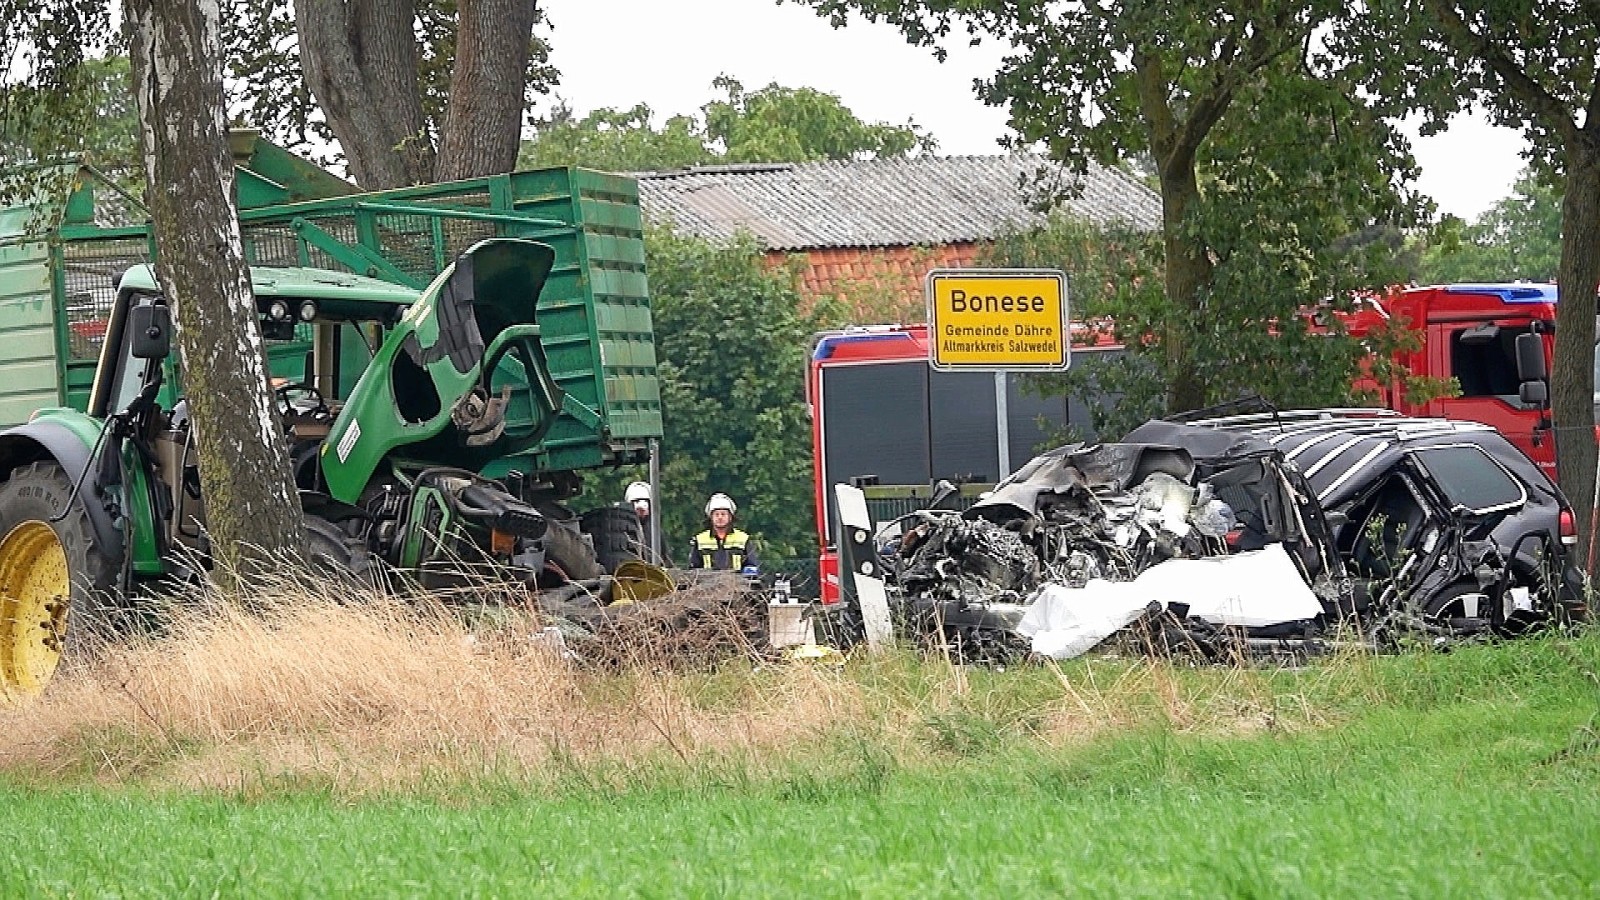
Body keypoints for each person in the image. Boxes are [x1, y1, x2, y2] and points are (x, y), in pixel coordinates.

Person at [688, 492, 757, 572]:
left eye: (723, 514)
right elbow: (693, 568)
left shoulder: (743, 538)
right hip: (707, 583)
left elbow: (751, 566)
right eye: (716, 514)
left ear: (730, 517)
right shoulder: (700, 539)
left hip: (737, 583)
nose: (720, 517)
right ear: (711, 517)